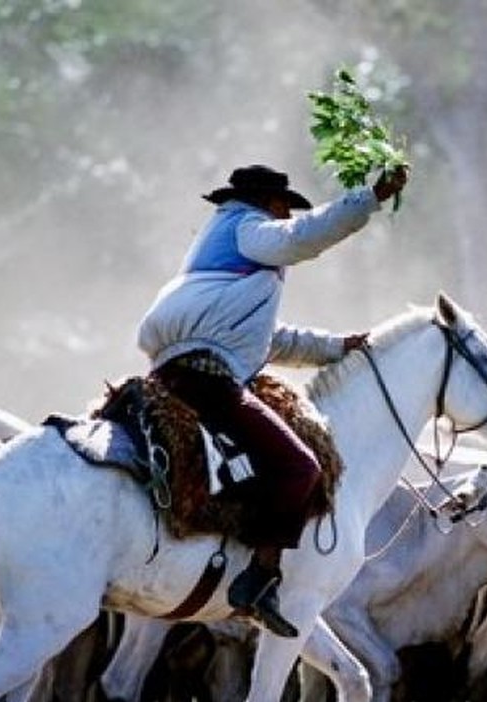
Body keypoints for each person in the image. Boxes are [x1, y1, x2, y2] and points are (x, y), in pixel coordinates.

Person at [136, 162, 407, 637]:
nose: (286, 214)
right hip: (208, 374)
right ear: (269, 202)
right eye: (283, 205)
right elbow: (299, 237)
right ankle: (259, 579)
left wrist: (335, 348)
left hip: (183, 366)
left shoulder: (221, 262)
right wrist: (369, 198)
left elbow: (267, 342)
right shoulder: (248, 226)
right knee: (301, 469)